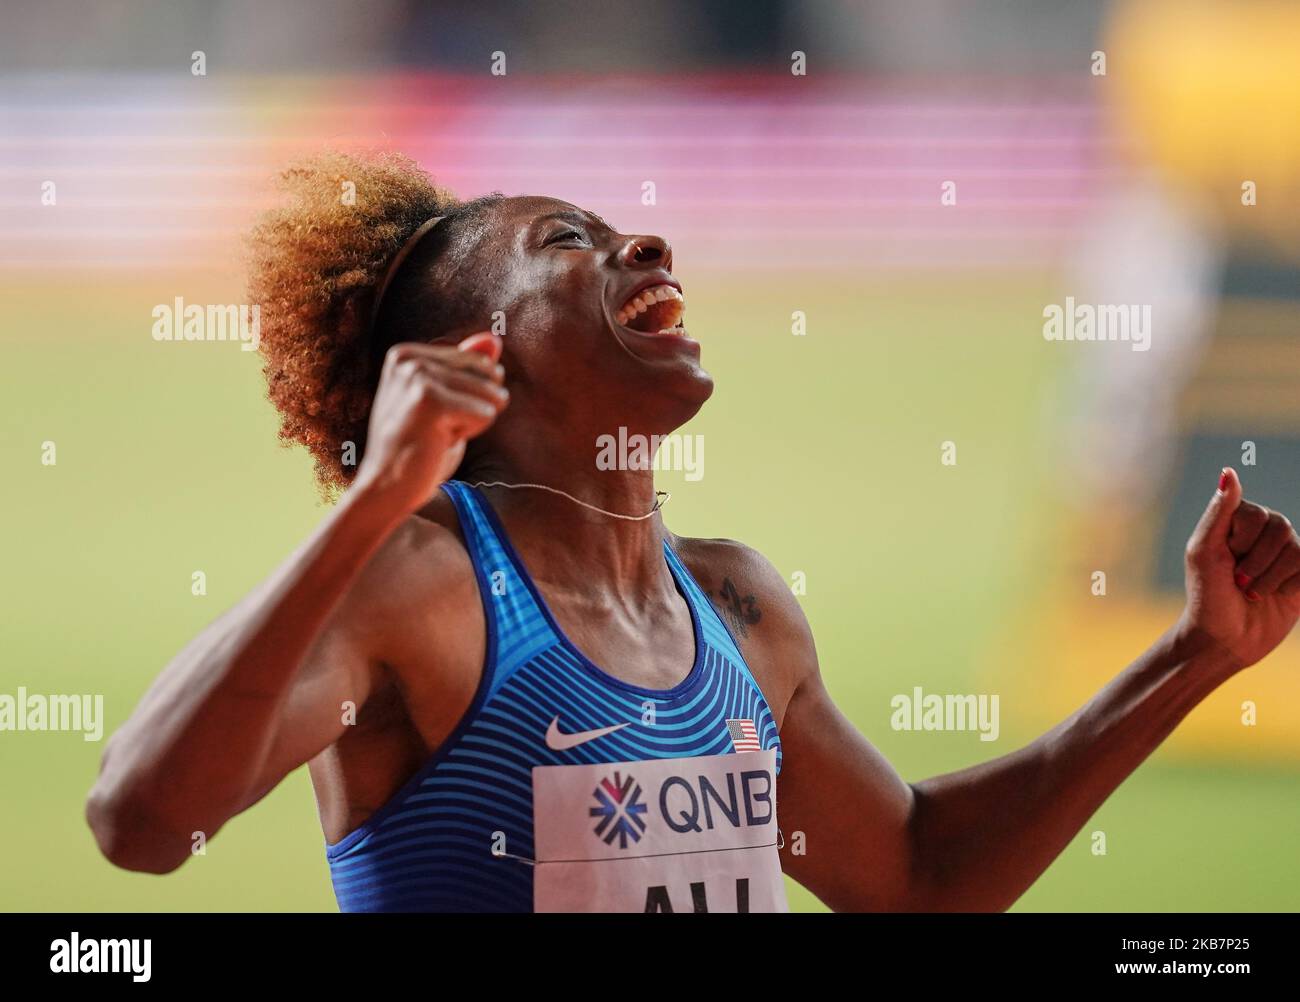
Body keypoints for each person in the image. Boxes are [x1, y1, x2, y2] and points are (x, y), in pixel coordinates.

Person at [86, 151, 1300, 912]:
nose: (645, 247)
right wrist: (372, 505)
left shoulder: (737, 606)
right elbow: (139, 823)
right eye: (568, 243)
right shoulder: (420, 582)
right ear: (470, 360)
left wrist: (1194, 657)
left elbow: (921, 877)